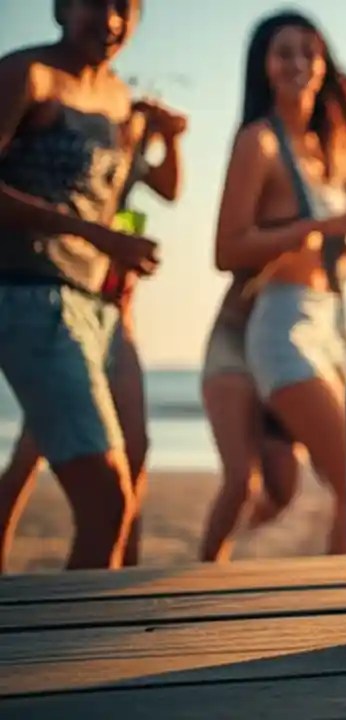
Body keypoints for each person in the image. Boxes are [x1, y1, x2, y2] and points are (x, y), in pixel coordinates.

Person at [204, 9, 346, 559]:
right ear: (264, 65)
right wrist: (315, 227)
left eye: (311, 51)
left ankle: (341, 591)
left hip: (331, 322)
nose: (299, 62)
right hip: (283, 321)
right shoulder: (258, 142)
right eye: (284, 52)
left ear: (325, 65)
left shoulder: (328, 152)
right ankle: (338, 597)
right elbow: (226, 251)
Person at [0, 0, 162, 570]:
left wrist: (117, 250)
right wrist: (93, 235)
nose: (111, 20)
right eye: (96, 2)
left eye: (125, 6)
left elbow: (134, 193)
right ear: (63, 7)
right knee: (107, 502)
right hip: (30, 295)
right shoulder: (28, 74)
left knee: (126, 467)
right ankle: (74, 630)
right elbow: (87, 219)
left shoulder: (119, 97)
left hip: (98, 304)